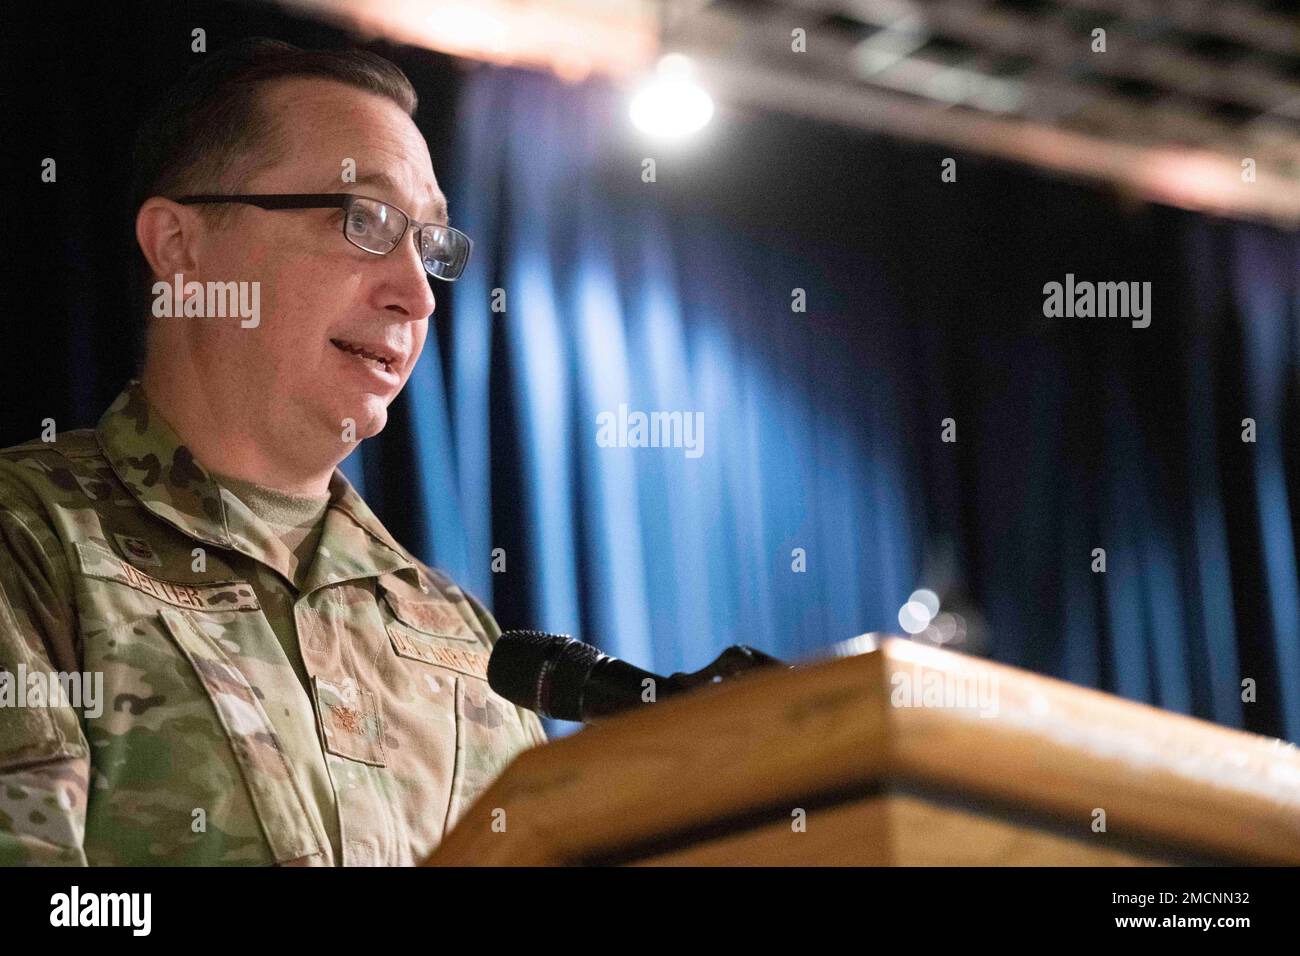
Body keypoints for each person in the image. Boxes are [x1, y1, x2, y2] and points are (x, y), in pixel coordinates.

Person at [0, 38, 545, 866]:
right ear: (182, 248)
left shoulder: (462, 638)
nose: (417, 293)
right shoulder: (30, 542)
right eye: (363, 219)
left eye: (431, 243)